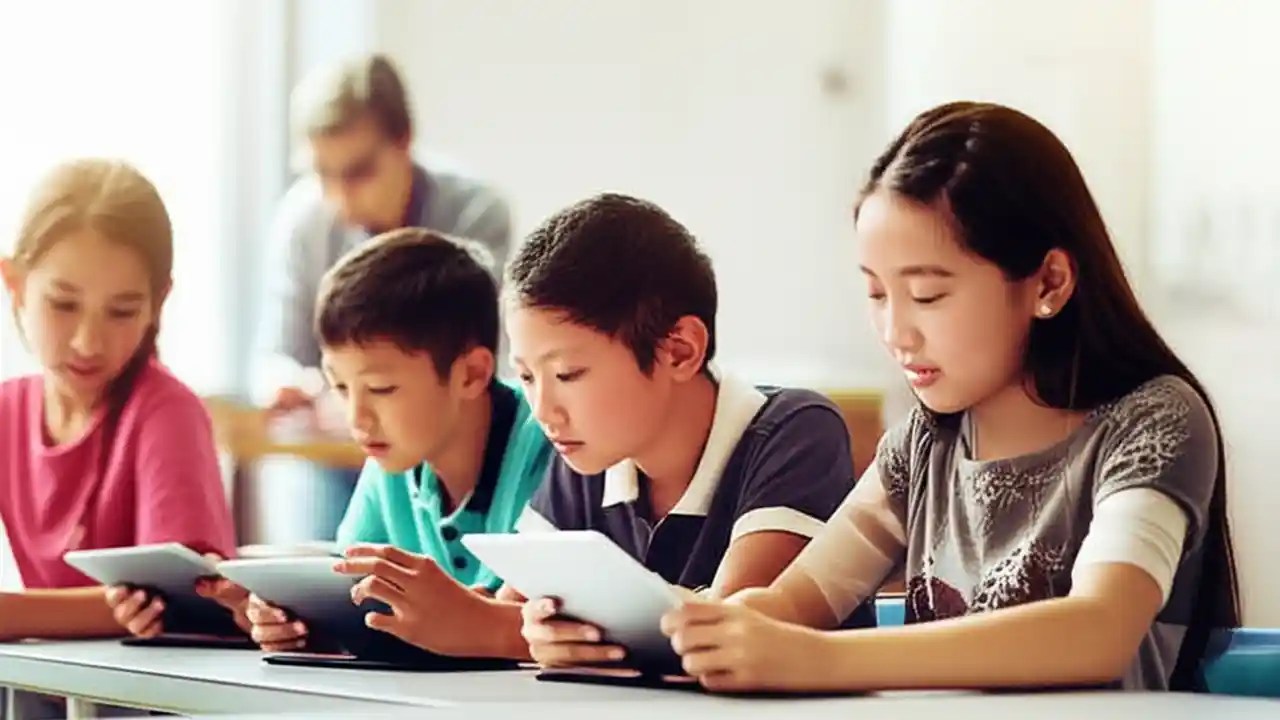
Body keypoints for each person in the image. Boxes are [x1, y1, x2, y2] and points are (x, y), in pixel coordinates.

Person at [659, 101, 1240, 693]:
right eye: (877, 294)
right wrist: (674, 630)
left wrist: (819, 659)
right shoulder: (922, 444)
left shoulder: (1152, 422)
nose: (896, 333)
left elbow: (1099, 630)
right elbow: (792, 602)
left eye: (927, 296)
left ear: (1049, 282)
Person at [337, 193, 874, 663]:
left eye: (568, 375)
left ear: (679, 350)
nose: (543, 410)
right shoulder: (586, 462)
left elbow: (733, 631)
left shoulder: (793, 432)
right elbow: (516, 613)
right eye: (527, 377)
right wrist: (509, 627)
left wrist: (501, 632)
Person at [240, 228, 552, 653]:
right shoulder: (392, 459)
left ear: (471, 374)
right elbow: (350, 591)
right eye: (341, 387)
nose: (357, 418)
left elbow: (553, 624)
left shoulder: (551, 442)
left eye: (381, 389)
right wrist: (301, 622)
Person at [254, 53, 513, 542]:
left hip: (449, 452)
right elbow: (277, 352)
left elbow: (476, 354)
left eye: (358, 172)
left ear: (404, 141)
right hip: (331, 460)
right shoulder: (301, 220)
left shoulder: (476, 211)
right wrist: (292, 384)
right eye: (321, 174)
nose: (339, 196)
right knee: (332, 571)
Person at [0, 158, 242, 643]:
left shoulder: (167, 413)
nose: (88, 342)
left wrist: (16, 615)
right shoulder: (7, 412)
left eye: (123, 311)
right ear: (16, 284)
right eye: (64, 305)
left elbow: (188, 598)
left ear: (158, 303)